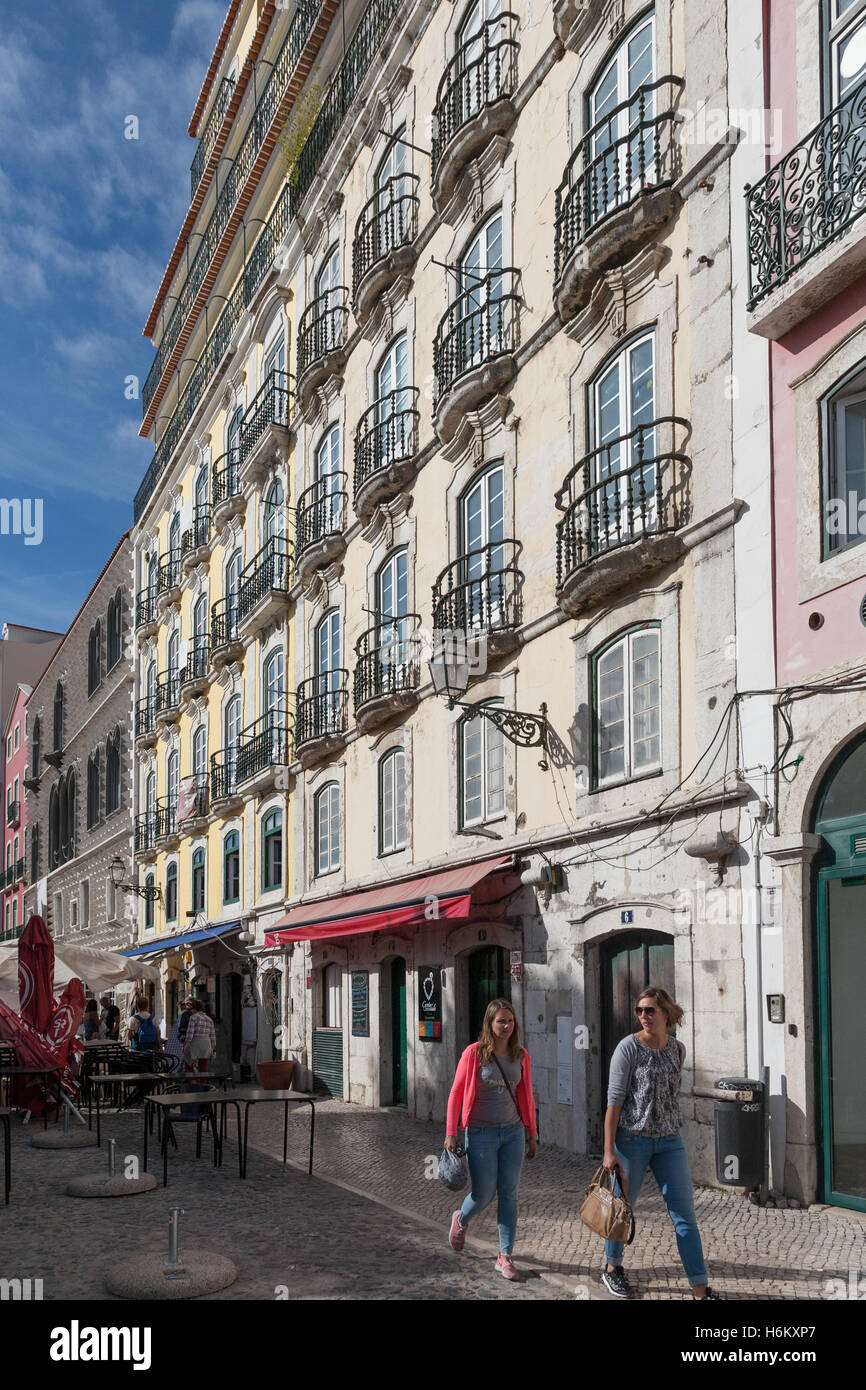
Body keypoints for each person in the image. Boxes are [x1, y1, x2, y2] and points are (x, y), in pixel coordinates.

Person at [601, 986, 720, 1301]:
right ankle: (612, 1269)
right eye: (639, 1010)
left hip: (669, 1142)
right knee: (621, 1209)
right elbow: (614, 1101)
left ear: (666, 1013)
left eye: (650, 1010)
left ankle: (700, 1289)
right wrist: (608, 1151)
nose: (643, 1016)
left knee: (685, 1215)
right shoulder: (628, 1048)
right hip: (632, 1141)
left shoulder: (677, 1049)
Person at [444, 999, 538, 1281]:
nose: (506, 1026)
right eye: (501, 1021)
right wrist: (451, 1131)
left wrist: (532, 1133)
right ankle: (461, 1219)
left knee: (509, 1193)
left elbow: (526, 1095)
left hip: (512, 1133)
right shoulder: (473, 1054)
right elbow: (456, 1093)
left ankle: (505, 1255)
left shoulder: (520, 1055)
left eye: (510, 1020)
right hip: (480, 1133)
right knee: (484, 1194)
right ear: (490, 1023)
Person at [183, 999, 215, 1073]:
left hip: (195, 1043)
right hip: (206, 1044)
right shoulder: (209, 1019)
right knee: (203, 1066)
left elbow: (190, 1034)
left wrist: (185, 1046)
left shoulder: (193, 1018)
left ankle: (193, 1083)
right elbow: (212, 1036)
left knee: (189, 1065)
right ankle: (203, 1083)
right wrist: (212, 1049)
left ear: (194, 1009)